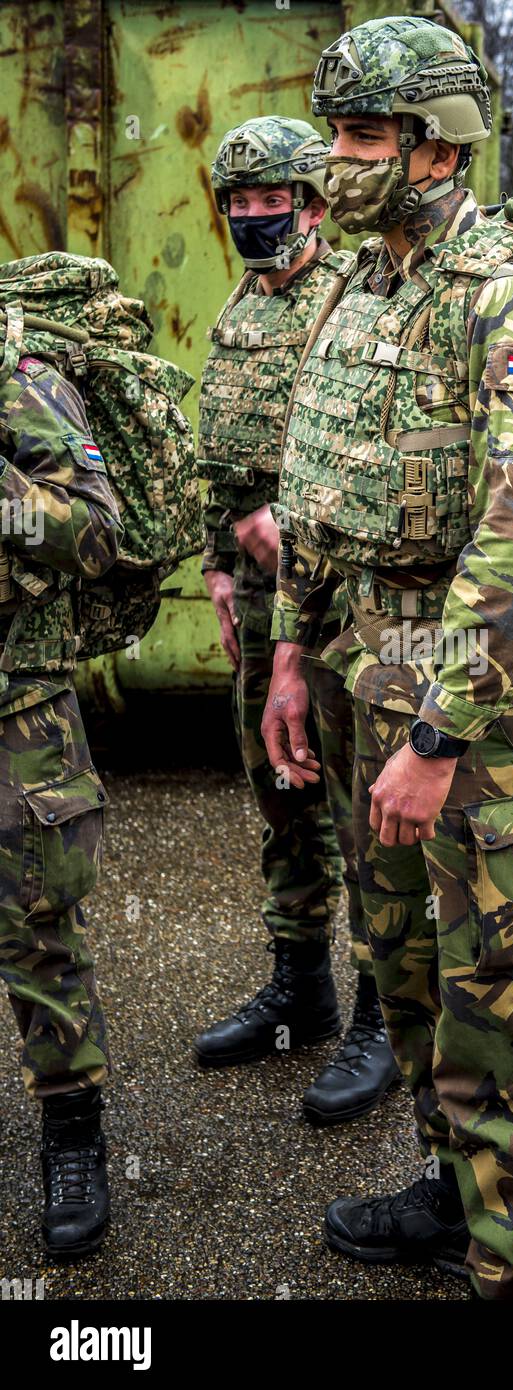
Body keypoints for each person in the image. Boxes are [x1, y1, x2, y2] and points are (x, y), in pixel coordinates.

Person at [262, 15, 513, 1300]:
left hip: (483, 720)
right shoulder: (365, 284)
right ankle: (448, 1188)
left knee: (500, 1001)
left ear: (436, 148)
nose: (334, 161)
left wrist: (437, 735)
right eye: (336, 130)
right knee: (403, 969)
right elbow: (322, 483)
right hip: (367, 683)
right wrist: (297, 650)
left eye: (360, 137)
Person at [195, 115, 398, 1124]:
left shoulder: (349, 305)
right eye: (238, 203)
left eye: (270, 202)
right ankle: (300, 986)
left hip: (335, 600)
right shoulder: (239, 307)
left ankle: (381, 1010)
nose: (251, 218)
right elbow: (221, 449)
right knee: (280, 796)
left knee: (360, 807)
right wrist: (220, 564)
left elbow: (367, 452)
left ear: (314, 207)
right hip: (262, 588)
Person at [0, 327, 121, 1254]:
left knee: (37, 937)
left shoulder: (23, 383)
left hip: (16, 713)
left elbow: (94, 535)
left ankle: (73, 1134)